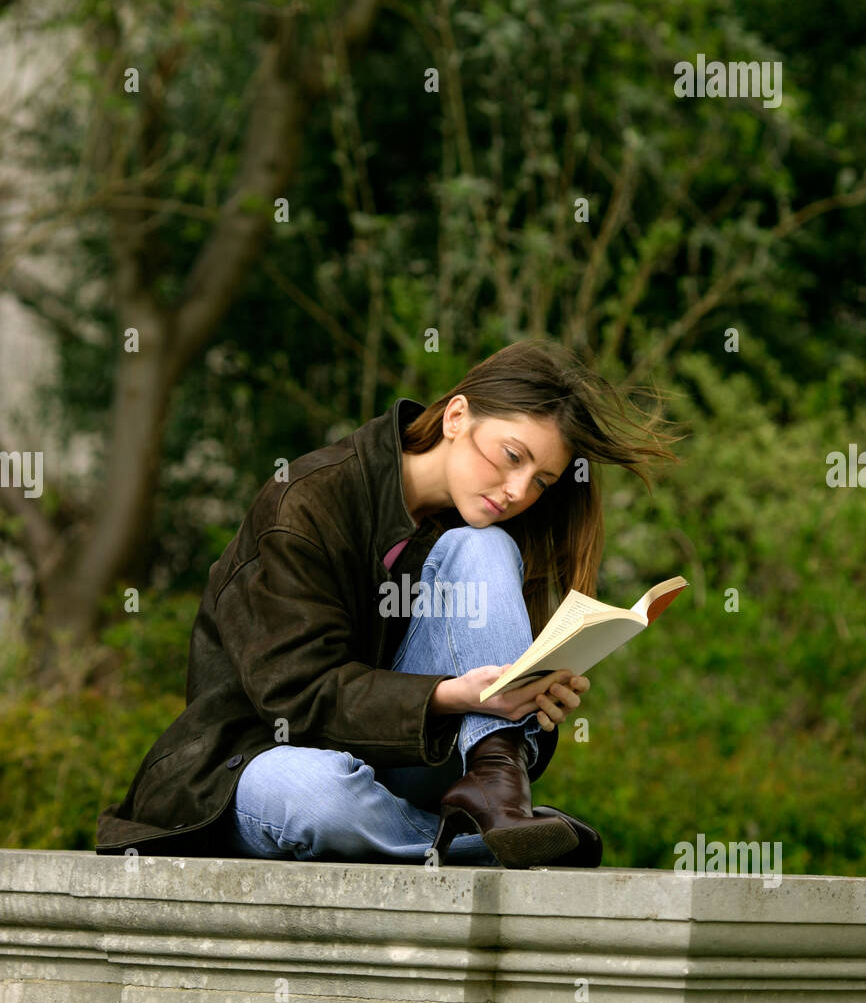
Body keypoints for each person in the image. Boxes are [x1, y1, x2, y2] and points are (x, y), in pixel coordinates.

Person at [95, 339, 678, 867]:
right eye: (511, 456)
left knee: (483, 547)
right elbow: (293, 697)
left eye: (542, 482)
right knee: (322, 796)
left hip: (405, 764)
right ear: (456, 416)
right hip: (252, 764)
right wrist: (453, 696)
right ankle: (480, 845)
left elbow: (479, 695)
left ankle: (502, 791)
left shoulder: (479, 539)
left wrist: (531, 698)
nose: (519, 491)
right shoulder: (308, 501)